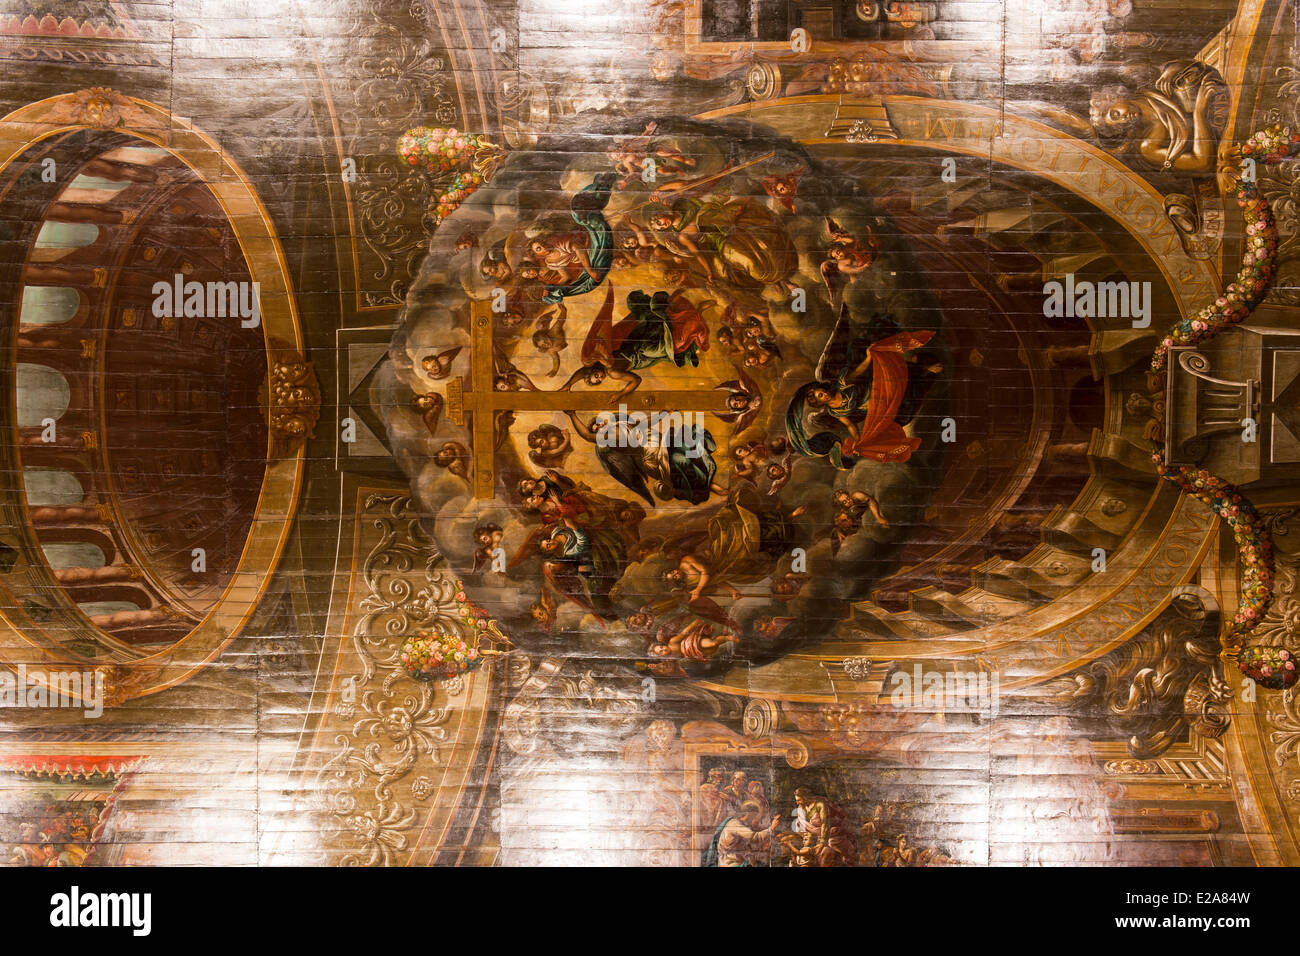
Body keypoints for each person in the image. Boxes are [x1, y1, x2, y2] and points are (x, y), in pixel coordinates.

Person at [702, 800, 780, 867]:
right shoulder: (736, 825)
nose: (754, 819)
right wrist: (771, 829)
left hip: (730, 861)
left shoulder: (734, 822)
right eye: (754, 816)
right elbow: (754, 837)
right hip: (730, 864)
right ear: (748, 813)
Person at [792, 788, 856, 867]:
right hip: (814, 836)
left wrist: (822, 843)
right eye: (796, 800)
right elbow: (802, 825)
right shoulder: (801, 808)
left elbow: (825, 823)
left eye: (799, 800)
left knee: (824, 857)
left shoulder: (820, 804)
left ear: (806, 797)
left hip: (832, 834)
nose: (797, 802)